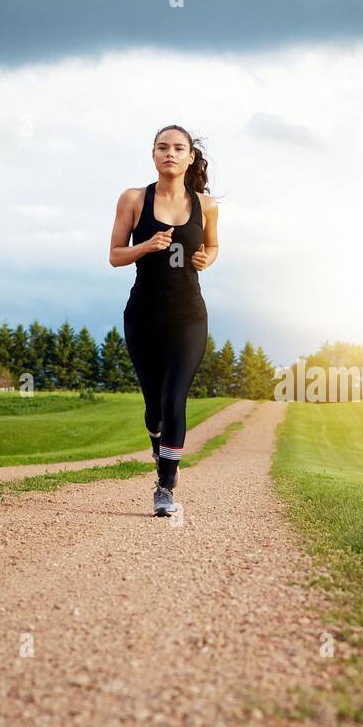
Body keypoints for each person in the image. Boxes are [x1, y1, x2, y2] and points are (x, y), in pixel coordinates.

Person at [108, 125, 219, 515]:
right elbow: (115, 255)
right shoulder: (134, 199)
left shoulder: (206, 205)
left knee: (174, 400)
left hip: (188, 317)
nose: (169, 153)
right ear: (153, 155)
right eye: (162, 147)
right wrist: (146, 246)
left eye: (178, 148)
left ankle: (165, 486)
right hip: (143, 317)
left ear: (190, 157)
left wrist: (208, 257)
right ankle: (160, 447)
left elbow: (213, 245)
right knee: (154, 407)